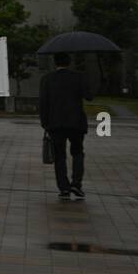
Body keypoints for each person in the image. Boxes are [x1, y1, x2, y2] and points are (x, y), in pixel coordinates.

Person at [39, 52, 90, 200]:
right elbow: (89, 96)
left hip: (55, 123)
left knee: (59, 156)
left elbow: (43, 103)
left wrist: (45, 123)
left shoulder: (47, 79)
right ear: (69, 62)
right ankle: (76, 184)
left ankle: (64, 188)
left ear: (55, 63)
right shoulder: (79, 77)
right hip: (76, 123)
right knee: (78, 152)